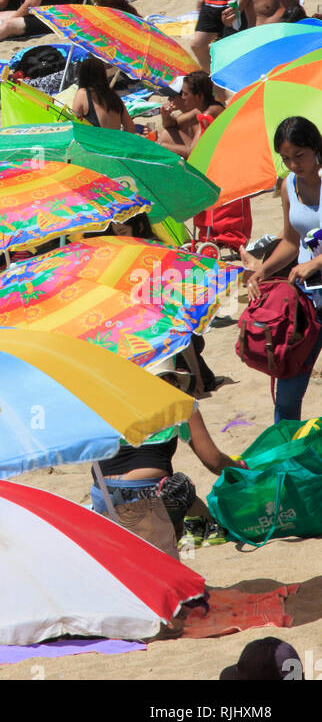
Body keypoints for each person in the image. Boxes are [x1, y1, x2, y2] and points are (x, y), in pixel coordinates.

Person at [243, 117, 322, 421]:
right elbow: (291, 241)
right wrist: (263, 270)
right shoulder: (288, 184)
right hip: (307, 301)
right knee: (288, 393)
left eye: (298, 156)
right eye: (285, 158)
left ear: (315, 147)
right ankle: (284, 459)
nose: (292, 165)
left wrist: (316, 262)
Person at [90, 365, 241, 517]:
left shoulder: (111, 407)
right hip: (147, 493)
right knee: (182, 487)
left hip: (102, 496)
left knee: (177, 493)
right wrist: (241, 472)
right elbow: (213, 461)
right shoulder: (180, 405)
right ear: (168, 380)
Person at [157, 71, 225, 158]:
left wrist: (161, 145)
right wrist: (165, 115)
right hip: (208, 154)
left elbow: (194, 153)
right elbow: (173, 125)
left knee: (162, 143)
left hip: (213, 159)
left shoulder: (208, 114)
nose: (182, 97)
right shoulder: (201, 109)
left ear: (199, 96)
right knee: (166, 134)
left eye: (185, 94)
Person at [72, 55, 135, 132]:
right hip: (115, 142)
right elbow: (130, 128)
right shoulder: (113, 96)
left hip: (96, 142)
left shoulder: (82, 94)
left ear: (82, 75)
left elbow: (73, 124)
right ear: (103, 74)